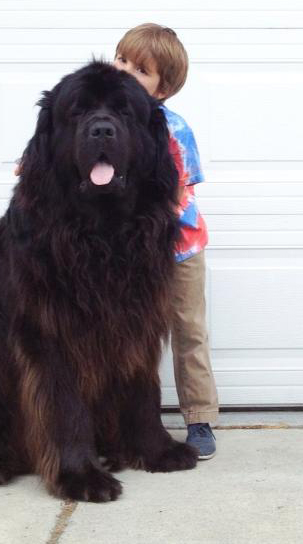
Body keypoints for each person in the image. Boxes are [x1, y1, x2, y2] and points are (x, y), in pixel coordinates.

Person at [112, 23, 218, 459]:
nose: (124, 72)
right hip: (128, 250)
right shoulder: (103, 119)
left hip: (176, 249)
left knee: (187, 329)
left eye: (141, 70)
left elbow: (176, 194)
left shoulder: (173, 129)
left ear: (163, 88)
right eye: (121, 60)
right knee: (129, 334)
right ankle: (125, 420)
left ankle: (199, 418)